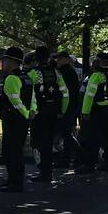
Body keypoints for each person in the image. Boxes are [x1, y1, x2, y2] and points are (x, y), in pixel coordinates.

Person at [27, 46, 69, 183]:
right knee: (49, 141)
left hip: (39, 113)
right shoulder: (56, 72)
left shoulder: (33, 73)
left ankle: (43, 171)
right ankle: (48, 171)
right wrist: (62, 110)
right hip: (54, 112)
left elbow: (29, 95)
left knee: (38, 142)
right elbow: (65, 93)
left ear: (35, 58)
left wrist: (31, 111)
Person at [80, 50, 108, 171]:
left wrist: (85, 112)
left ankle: (90, 164)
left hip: (98, 110)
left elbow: (89, 95)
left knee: (93, 138)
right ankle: (107, 164)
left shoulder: (97, 76)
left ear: (98, 62)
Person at [0, 47, 32, 192]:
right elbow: (32, 98)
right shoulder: (27, 77)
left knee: (11, 151)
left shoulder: (12, 78)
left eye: (5, 60)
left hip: (13, 119)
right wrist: (29, 113)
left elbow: (14, 101)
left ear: (11, 62)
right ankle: (14, 180)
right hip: (22, 119)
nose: (3, 64)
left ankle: (15, 182)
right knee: (16, 150)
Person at [53, 50, 83, 169]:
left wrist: (62, 109)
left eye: (59, 58)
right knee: (66, 135)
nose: (57, 61)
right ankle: (67, 158)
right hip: (71, 107)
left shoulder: (66, 72)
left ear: (65, 58)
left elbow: (65, 93)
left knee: (67, 134)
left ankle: (80, 156)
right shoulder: (69, 71)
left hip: (68, 107)